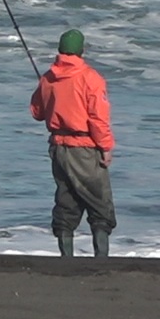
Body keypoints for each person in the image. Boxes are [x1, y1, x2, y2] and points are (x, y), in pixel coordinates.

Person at [30, 28, 117, 257]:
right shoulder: (91, 78)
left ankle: (66, 258)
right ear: (82, 51)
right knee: (100, 203)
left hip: (58, 148)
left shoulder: (48, 78)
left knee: (66, 200)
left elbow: (37, 113)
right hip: (85, 148)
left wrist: (46, 89)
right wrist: (106, 147)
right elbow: (98, 119)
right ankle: (101, 259)